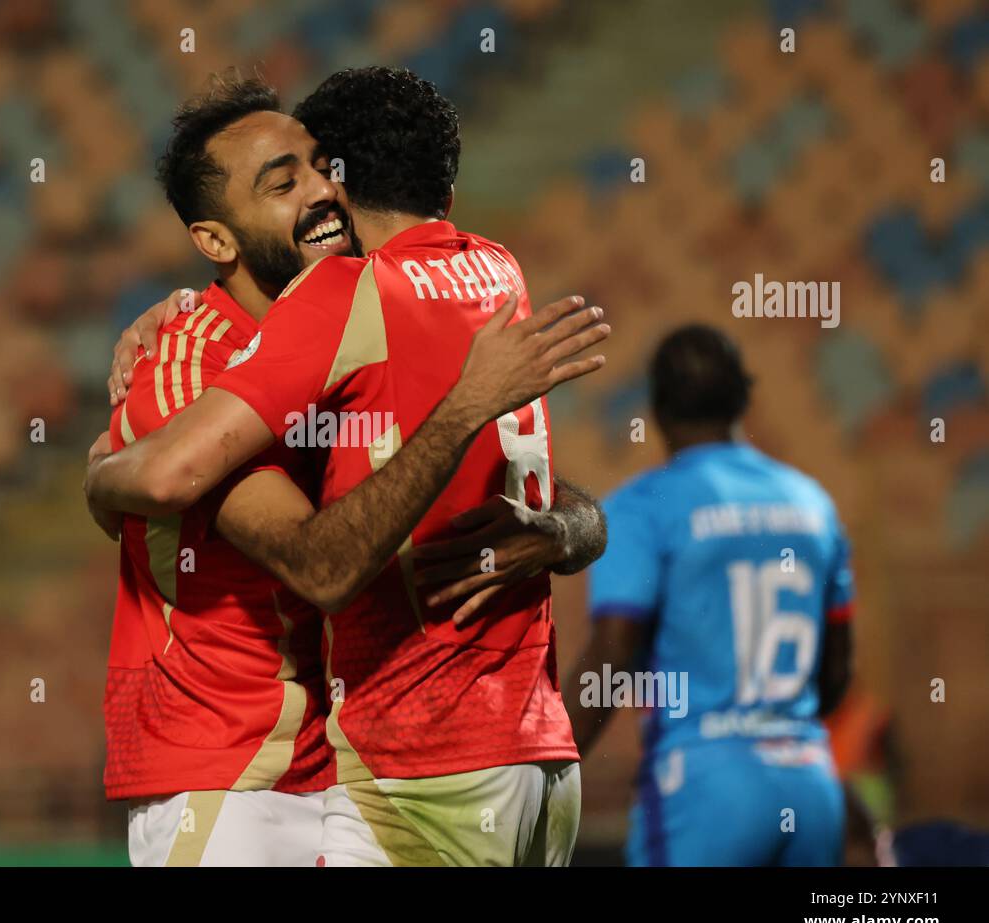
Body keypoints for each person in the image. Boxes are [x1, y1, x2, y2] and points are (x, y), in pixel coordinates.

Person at [88, 68, 610, 866]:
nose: (321, 192)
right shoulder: (196, 364)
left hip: (348, 764)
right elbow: (307, 553)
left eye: (320, 165)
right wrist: (99, 476)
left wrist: (565, 527)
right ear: (217, 240)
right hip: (232, 781)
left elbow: (498, 473)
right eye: (283, 181)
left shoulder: (355, 317)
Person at [570, 324, 854, 866]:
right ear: (745, 397)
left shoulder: (643, 507)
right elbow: (836, 675)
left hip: (703, 790)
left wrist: (546, 766)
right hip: (810, 783)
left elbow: (614, 654)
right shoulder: (813, 505)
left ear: (657, 410)